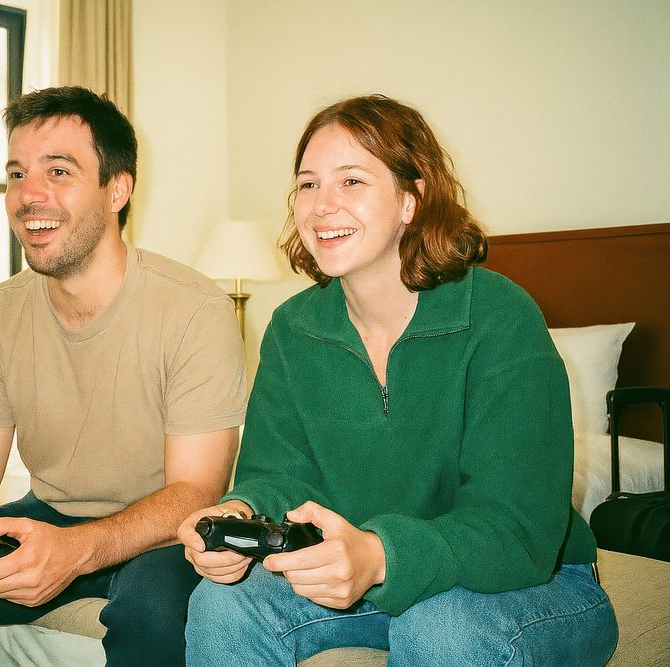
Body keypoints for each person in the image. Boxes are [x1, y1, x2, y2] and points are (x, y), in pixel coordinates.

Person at [178, 94, 618, 666]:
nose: (322, 206)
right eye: (308, 185)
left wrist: (380, 555)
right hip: (369, 577)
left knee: (438, 625)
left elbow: (517, 531)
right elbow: (275, 476)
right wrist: (237, 515)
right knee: (222, 604)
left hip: (534, 583)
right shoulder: (293, 328)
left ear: (411, 199)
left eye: (352, 181)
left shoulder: (499, 317)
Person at [0, 86, 247, 666]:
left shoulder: (195, 309)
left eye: (58, 171)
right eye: (17, 175)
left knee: (152, 613)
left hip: (158, 533)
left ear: (117, 189)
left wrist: (79, 551)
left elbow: (197, 492)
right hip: (49, 515)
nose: (29, 195)